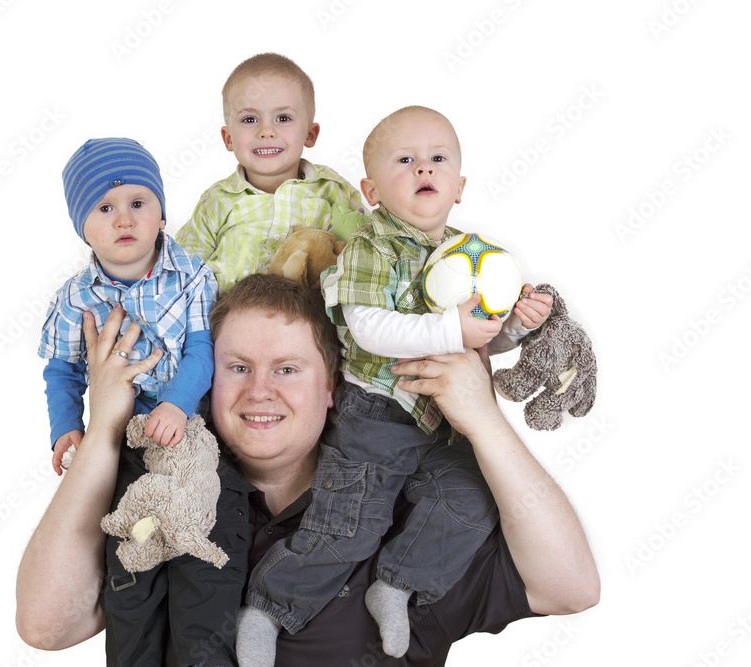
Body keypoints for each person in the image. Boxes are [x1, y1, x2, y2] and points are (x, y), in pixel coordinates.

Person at [16, 272, 599, 666]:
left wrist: (485, 423)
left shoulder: (408, 513)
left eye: (288, 369)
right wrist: (104, 430)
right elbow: (45, 624)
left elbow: (570, 587)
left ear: (331, 389)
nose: (260, 392)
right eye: (238, 367)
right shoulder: (170, 498)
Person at [235, 106, 557, 663]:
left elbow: (477, 343)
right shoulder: (372, 246)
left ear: (459, 185)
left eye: (437, 160)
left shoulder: (473, 256)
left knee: (473, 499)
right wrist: (451, 326)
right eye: (404, 161)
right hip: (376, 416)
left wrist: (512, 330)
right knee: (350, 526)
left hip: (440, 419)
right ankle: (267, 606)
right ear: (373, 188)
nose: (422, 169)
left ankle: (399, 583)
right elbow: (369, 327)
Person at [37, 138, 244, 665]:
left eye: (137, 203)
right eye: (104, 209)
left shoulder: (192, 275)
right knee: (131, 563)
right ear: (82, 226)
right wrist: (66, 425)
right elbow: (61, 370)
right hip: (124, 439)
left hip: (191, 430)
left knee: (203, 557)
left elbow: (201, 350)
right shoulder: (75, 298)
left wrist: (176, 404)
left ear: (160, 212)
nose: (123, 219)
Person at [175, 53, 364, 294]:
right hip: (230, 319)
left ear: (310, 134)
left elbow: (365, 241)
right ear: (228, 138)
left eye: (283, 118)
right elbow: (182, 266)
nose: (266, 131)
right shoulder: (218, 200)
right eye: (249, 119)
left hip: (310, 318)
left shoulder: (331, 188)